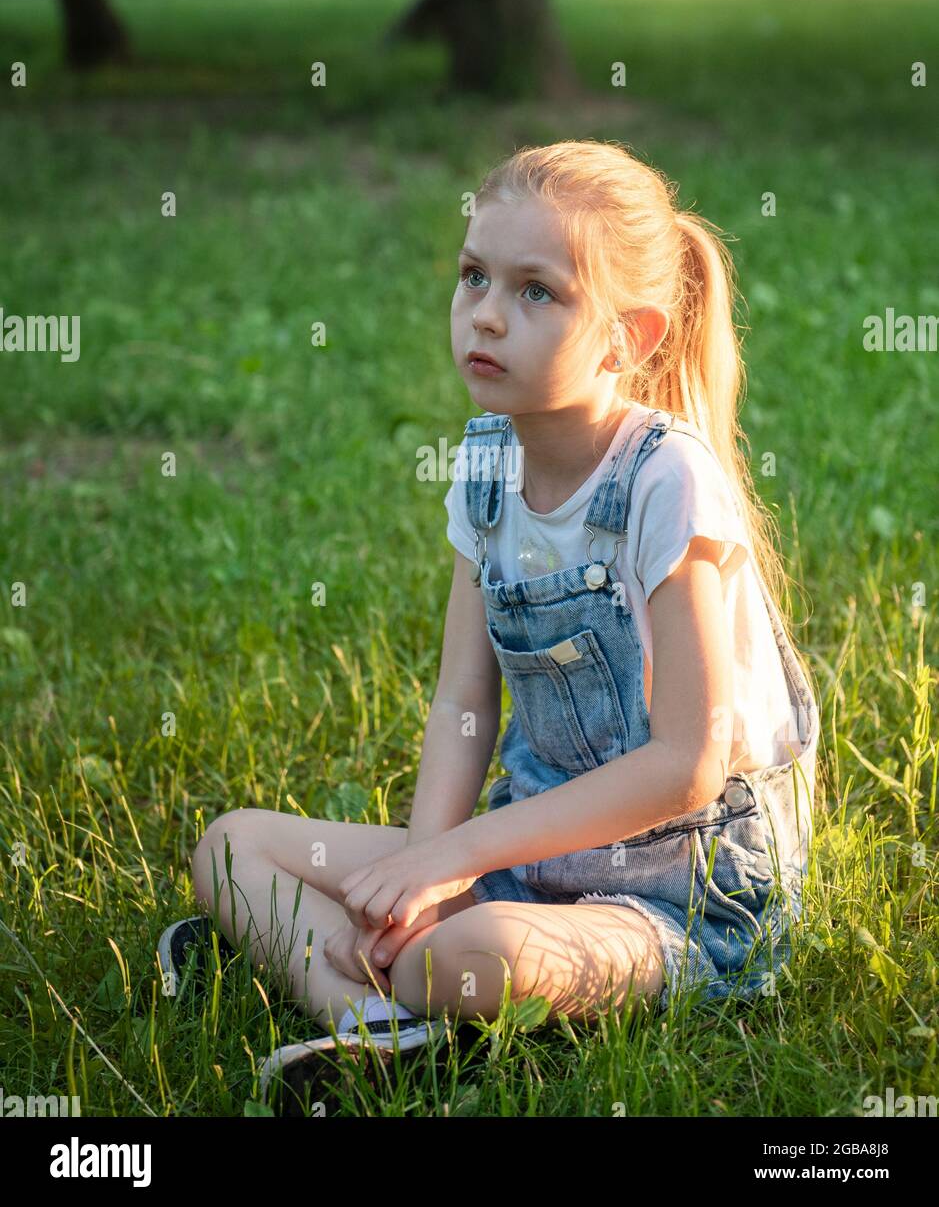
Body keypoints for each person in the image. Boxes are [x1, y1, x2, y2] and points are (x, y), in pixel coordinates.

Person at [163, 139, 820, 1111]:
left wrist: (455, 861)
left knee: (477, 952)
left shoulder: (665, 482)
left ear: (625, 337)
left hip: (680, 896)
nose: (485, 312)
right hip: (529, 855)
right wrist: (422, 867)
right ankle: (378, 1018)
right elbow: (464, 701)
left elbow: (690, 761)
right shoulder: (482, 468)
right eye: (474, 275)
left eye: (536, 291)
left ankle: (352, 978)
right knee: (231, 846)